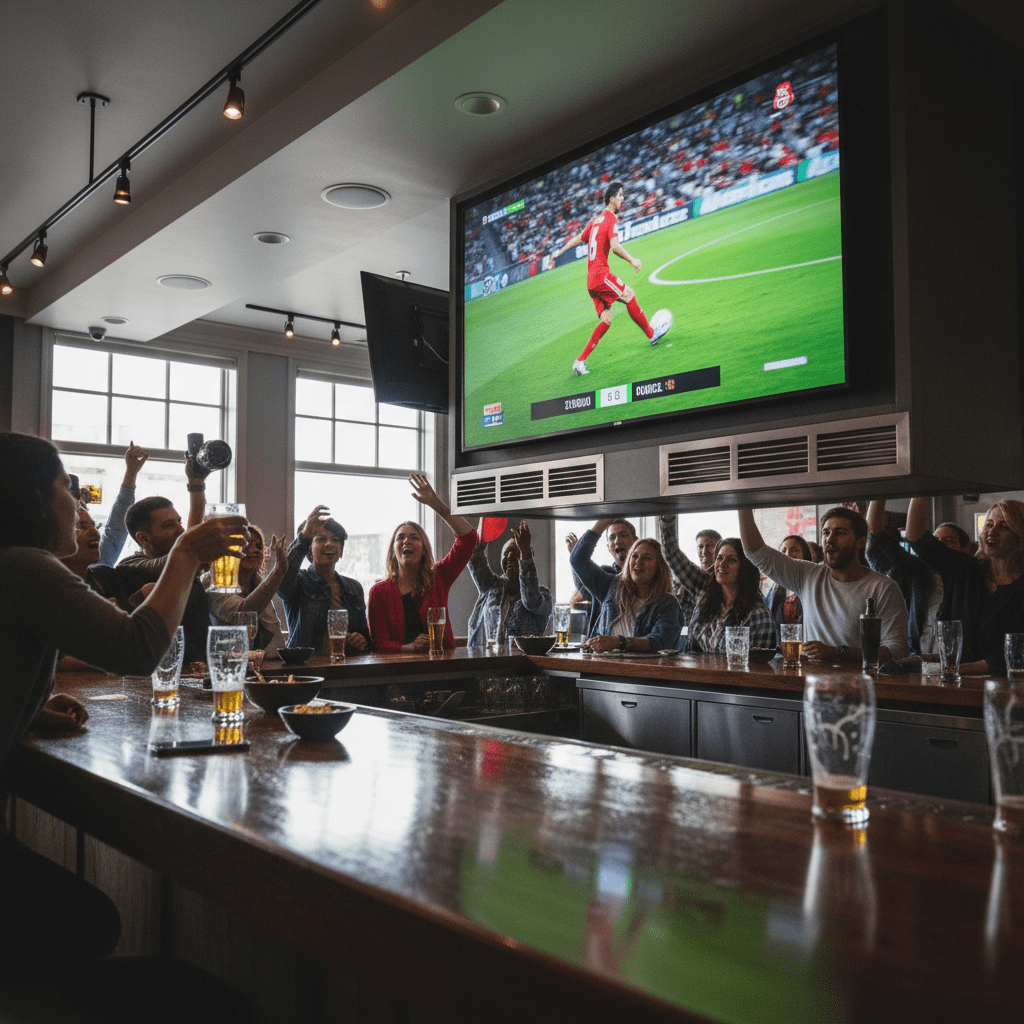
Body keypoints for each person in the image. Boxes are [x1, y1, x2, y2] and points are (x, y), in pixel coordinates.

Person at [0, 432, 244, 1005]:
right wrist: (185, 553)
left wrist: (28, 712)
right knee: (92, 925)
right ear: (34, 498)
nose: (76, 502)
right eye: (67, 486)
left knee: (83, 919)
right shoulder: (25, 567)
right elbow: (135, 650)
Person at [738, 506, 908, 664]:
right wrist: (742, 502)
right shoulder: (808, 574)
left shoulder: (884, 587)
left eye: (840, 533)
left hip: (859, 687)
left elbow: (897, 650)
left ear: (860, 542)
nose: (830, 539)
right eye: (826, 533)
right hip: (811, 685)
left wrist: (839, 653)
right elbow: (756, 552)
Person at [550, 181, 670, 377]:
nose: (623, 199)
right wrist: (632, 260)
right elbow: (614, 246)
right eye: (621, 195)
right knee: (629, 295)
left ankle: (580, 362)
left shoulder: (595, 220)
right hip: (601, 276)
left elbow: (579, 237)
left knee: (606, 319)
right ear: (611, 198)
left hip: (591, 281)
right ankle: (652, 335)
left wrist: (558, 253)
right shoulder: (610, 218)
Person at [905, 497, 1024, 673]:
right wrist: (920, 488)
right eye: (989, 525)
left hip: (1003, 689)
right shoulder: (966, 569)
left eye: (1004, 526)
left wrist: (949, 671)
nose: (992, 532)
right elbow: (918, 539)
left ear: (1019, 537)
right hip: (955, 682)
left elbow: (1010, 654)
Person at [367, 474, 476, 653]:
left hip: (441, 667)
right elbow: (378, 643)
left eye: (414, 537)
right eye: (400, 538)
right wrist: (409, 647)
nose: (406, 541)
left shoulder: (439, 576)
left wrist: (436, 504)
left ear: (424, 549)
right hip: (400, 671)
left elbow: (469, 539)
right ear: (393, 552)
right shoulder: (379, 592)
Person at [660, 516, 775, 653]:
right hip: (693, 672)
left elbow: (756, 668)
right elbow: (672, 554)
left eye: (732, 560)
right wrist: (667, 519)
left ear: (745, 568)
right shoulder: (705, 589)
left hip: (730, 674)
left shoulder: (758, 614)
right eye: (719, 558)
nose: (722, 564)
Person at [569, 520, 680, 652]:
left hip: (642, 670)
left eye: (647, 558)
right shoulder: (611, 586)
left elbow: (660, 641)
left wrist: (619, 642)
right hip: (602, 666)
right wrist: (604, 520)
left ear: (659, 568)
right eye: (635, 556)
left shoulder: (667, 603)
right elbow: (577, 559)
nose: (639, 561)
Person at [278, 508, 370, 654]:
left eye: (335, 540)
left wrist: (361, 640)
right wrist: (304, 538)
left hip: (346, 667)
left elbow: (365, 637)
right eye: (320, 539)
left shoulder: (354, 587)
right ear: (309, 548)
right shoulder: (299, 580)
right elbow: (281, 581)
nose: (329, 544)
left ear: (341, 550)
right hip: (305, 668)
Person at [866, 500, 941, 656]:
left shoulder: (968, 576)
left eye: (948, 541)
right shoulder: (918, 571)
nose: (939, 548)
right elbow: (874, 533)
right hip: (918, 657)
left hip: (961, 662)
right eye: (936, 541)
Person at [468, 520, 552, 648]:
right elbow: (476, 559)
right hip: (484, 660)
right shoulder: (491, 586)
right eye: (506, 553)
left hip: (520, 663)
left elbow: (530, 600)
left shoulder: (543, 595)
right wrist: (482, 539)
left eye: (517, 552)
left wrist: (526, 554)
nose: (510, 557)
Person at [206, 524, 288, 657]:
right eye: (247, 544)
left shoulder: (257, 583)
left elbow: (277, 644)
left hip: (265, 668)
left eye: (259, 546)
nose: (255, 550)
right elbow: (243, 615)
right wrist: (278, 572)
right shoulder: (215, 579)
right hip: (227, 668)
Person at [567, 518, 638, 636]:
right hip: (602, 649)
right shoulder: (606, 578)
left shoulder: (646, 578)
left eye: (623, 535)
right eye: (612, 538)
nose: (617, 541)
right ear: (608, 547)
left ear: (636, 541)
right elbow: (583, 587)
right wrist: (604, 519)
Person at [94, 441, 150, 566]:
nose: (94, 532)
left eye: (92, 525)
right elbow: (115, 530)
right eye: (82, 525)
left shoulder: (99, 563)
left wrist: (131, 472)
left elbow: (116, 528)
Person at [763, 534, 812, 637]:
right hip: (781, 649)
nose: (787, 554)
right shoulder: (775, 587)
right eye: (783, 551)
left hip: (809, 648)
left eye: (794, 550)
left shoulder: (812, 585)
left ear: (805, 555)